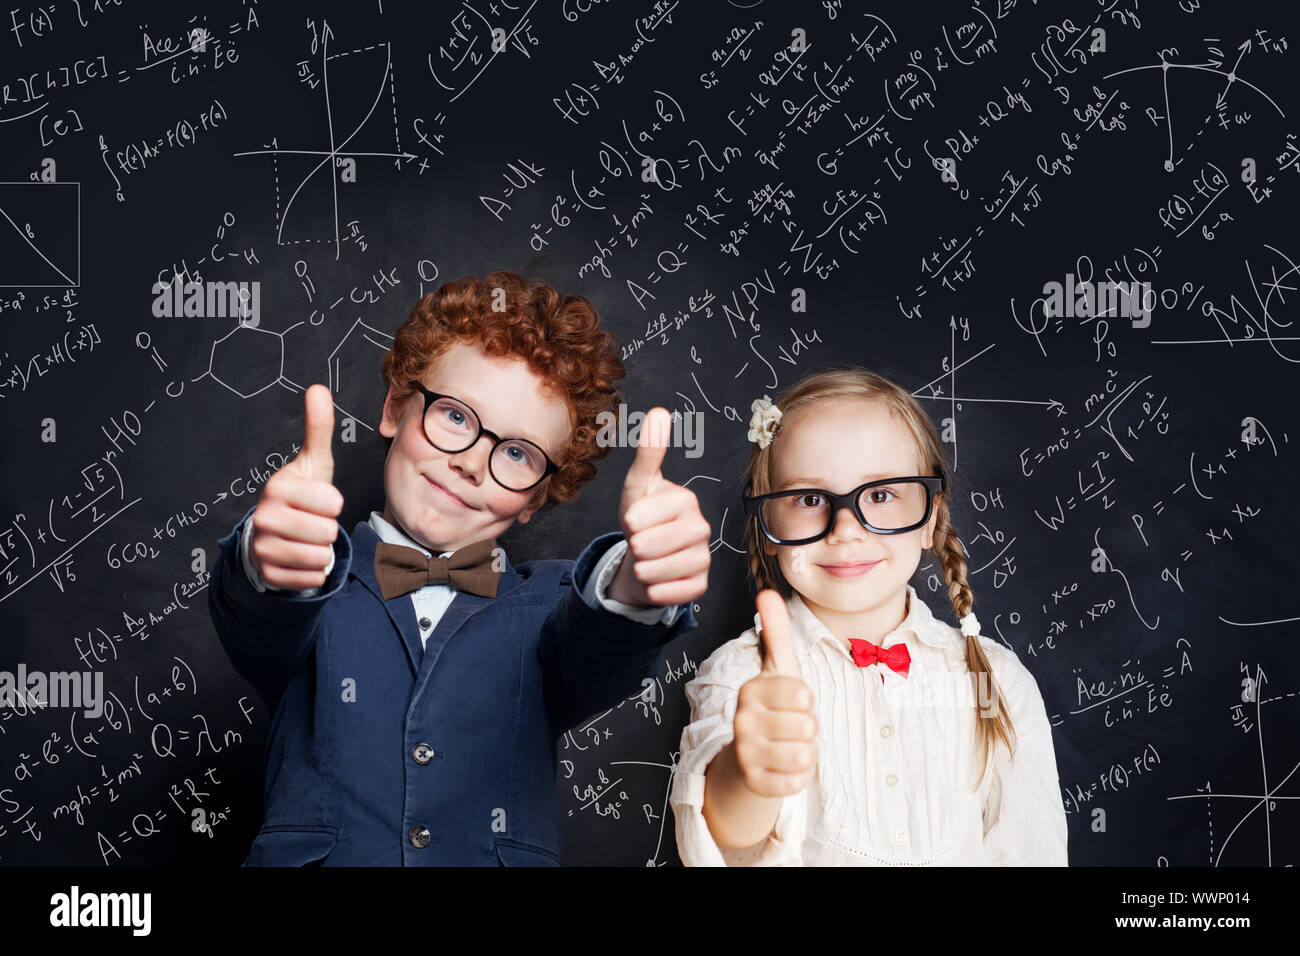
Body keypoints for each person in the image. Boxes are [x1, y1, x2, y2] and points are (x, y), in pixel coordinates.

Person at [208, 271, 709, 865]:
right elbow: (258, 620)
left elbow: (600, 645)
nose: (472, 462)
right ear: (395, 407)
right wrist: (271, 562)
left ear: (535, 500)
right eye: (454, 416)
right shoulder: (315, 580)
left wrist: (637, 584)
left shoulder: (553, 608)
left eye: (517, 454)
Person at [669, 366, 1067, 865]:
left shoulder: (998, 682)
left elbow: (1032, 851)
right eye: (810, 499)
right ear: (768, 525)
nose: (845, 529)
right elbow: (719, 839)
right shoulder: (742, 674)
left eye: (880, 495)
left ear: (931, 519)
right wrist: (750, 775)